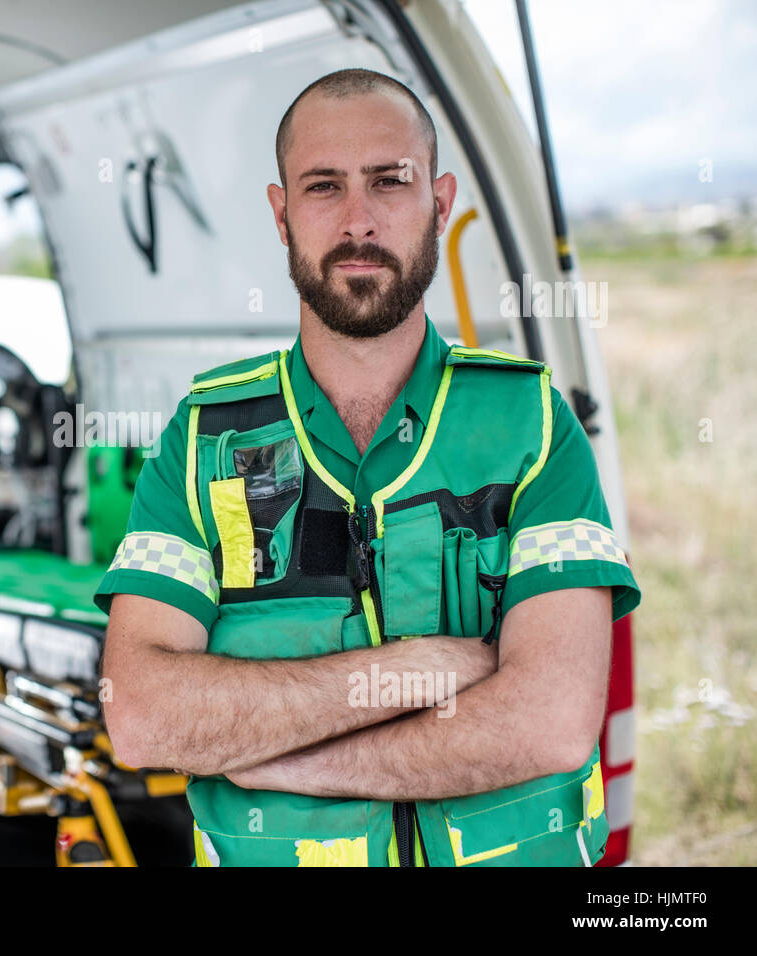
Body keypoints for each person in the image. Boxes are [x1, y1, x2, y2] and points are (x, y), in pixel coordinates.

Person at [93, 68, 640, 867]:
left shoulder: (532, 424)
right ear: (282, 216)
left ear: (441, 201)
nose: (359, 221)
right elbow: (143, 714)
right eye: (324, 187)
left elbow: (550, 720)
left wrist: (297, 760)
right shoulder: (202, 437)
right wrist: (421, 669)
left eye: (391, 181)